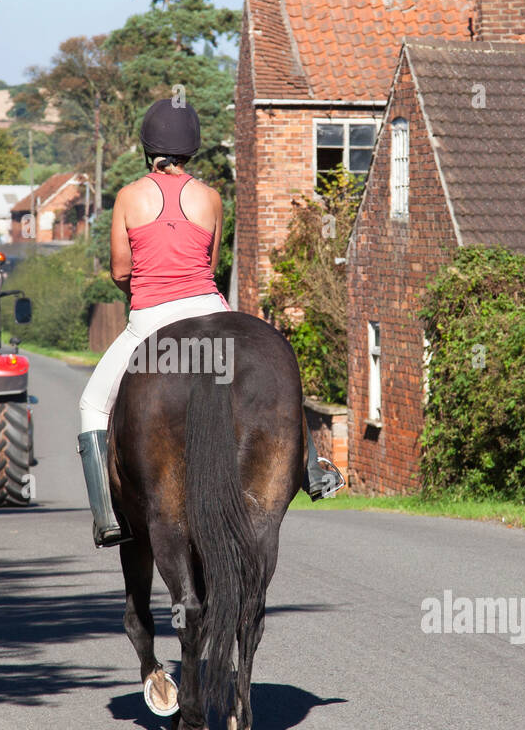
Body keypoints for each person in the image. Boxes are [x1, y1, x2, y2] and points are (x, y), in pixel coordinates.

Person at [76, 99, 339, 548]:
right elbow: (212, 264)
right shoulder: (211, 197)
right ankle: (313, 469)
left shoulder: (128, 196)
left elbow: (121, 271)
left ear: (148, 146)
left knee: (92, 406)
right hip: (209, 307)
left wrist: (143, 291)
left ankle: (106, 517)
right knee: (276, 374)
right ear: (191, 148)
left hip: (151, 317)